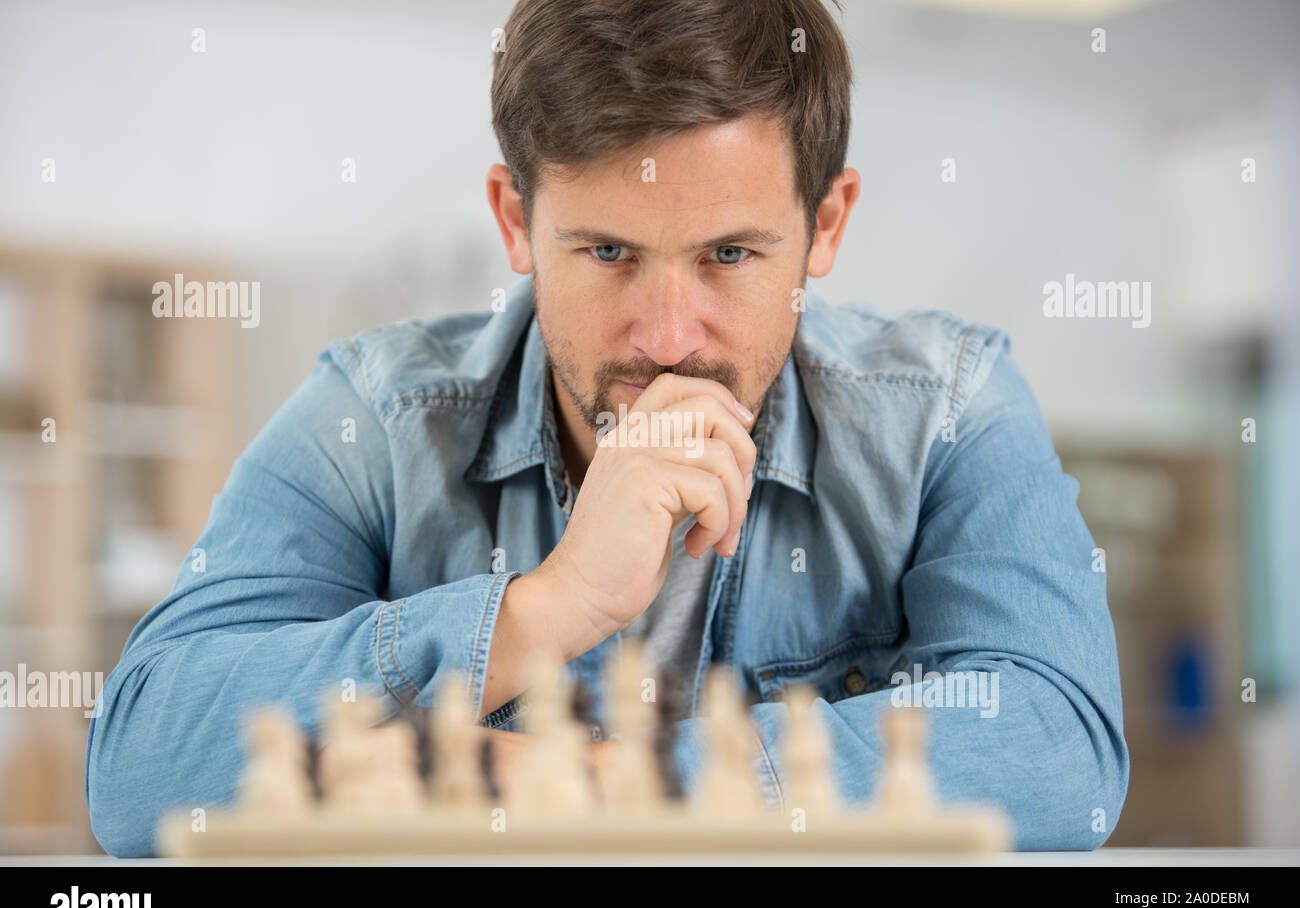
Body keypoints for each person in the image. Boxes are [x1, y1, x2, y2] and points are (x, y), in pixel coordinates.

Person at [85, 0, 1129, 857]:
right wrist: (543, 611)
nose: (668, 336)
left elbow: (1060, 749)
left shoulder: (951, 410)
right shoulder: (370, 416)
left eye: (729, 255)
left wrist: (613, 790)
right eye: (607, 254)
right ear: (513, 221)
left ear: (827, 224)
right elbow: (136, 770)